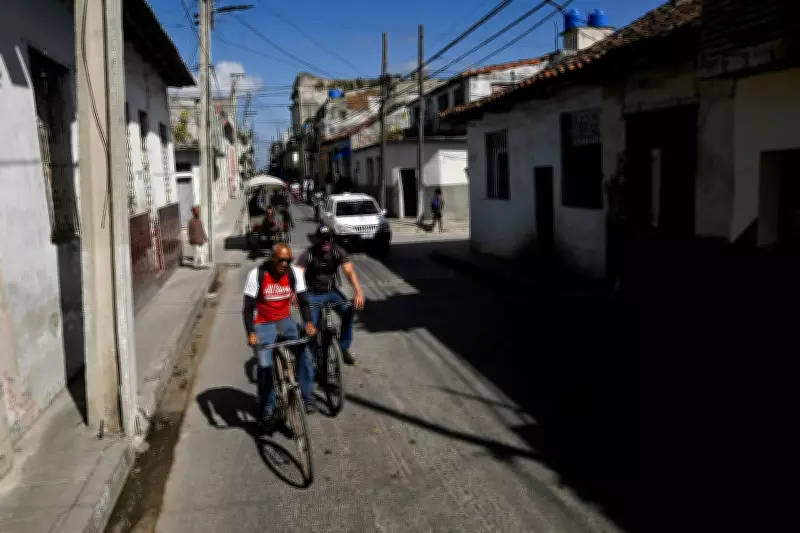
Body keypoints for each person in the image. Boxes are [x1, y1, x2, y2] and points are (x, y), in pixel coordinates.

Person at [243, 243, 318, 424]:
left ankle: (307, 397)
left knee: (304, 352)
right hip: (264, 323)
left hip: (285, 320)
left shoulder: (294, 273)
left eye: (288, 260)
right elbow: (247, 309)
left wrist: (308, 322)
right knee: (264, 364)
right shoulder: (257, 274)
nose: (285, 264)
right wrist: (251, 333)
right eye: (281, 260)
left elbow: (304, 301)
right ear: (272, 258)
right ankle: (267, 406)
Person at [296, 225, 365, 365]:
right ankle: (311, 356)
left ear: (332, 239)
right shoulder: (308, 254)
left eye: (328, 238)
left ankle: (343, 348)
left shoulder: (338, 252)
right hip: (312, 295)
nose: (326, 241)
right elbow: (297, 274)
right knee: (310, 327)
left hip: (332, 292)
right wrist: (296, 295)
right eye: (323, 238)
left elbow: (349, 271)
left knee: (348, 312)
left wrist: (358, 292)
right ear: (317, 239)